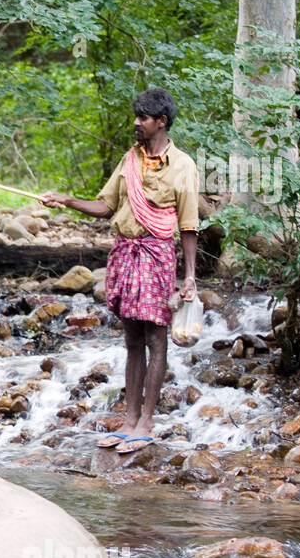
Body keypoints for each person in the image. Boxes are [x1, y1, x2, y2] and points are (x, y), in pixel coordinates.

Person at [40, 87, 199, 454]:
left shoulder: (184, 166)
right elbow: (105, 206)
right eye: (137, 116)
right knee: (131, 340)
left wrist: (189, 277)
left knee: (156, 339)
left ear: (161, 122)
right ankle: (129, 420)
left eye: (143, 118)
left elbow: (189, 226)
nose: (137, 123)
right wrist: (65, 199)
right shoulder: (130, 159)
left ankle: (147, 421)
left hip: (158, 256)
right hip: (125, 254)